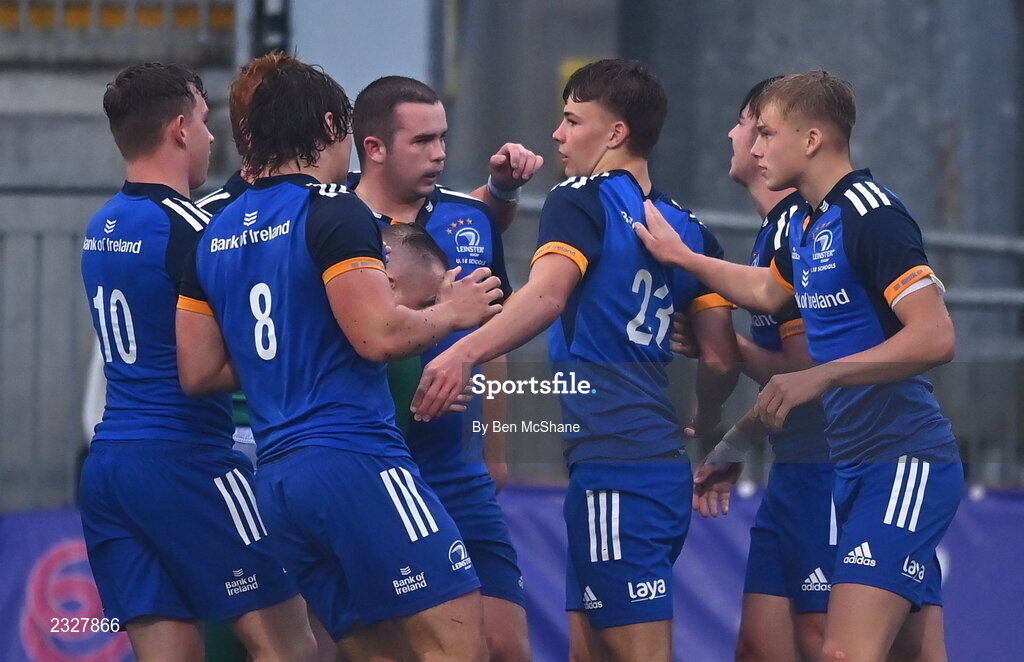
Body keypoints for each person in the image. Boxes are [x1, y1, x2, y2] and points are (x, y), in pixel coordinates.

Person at [410, 59, 741, 662]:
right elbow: (720, 356)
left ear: (614, 133)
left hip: (617, 465)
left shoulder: (579, 197)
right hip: (654, 464)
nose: (558, 135)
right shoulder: (690, 230)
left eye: (570, 120)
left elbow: (546, 295)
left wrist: (461, 351)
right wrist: (709, 422)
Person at [174, 60, 502, 662]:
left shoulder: (212, 233)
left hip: (278, 483)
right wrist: (450, 312)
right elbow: (378, 335)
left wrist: (296, 353)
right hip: (356, 461)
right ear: (331, 124)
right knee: (459, 646)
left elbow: (197, 372)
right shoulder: (334, 208)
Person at [634, 70, 960, 662]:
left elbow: (936, 337)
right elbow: (764, 290)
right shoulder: (808, 223)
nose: (755, 147)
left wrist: (823, 373)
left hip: (903, 461)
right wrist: (682, 259)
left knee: (840, 652)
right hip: (851, 468)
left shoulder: (871, 213)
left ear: (810, 140)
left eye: (766, 132)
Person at [79, 62, 315, 662]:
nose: (212, 138)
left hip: (111, 467)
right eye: (206, 123)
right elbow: (229, 346)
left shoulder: (102, 224)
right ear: (180, 130)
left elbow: (205, 217)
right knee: (292, 648)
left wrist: (246, 177)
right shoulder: (191, 227)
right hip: (187, 460)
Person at [349, 74, 538, 662]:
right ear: (374, 147)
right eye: (422, 141)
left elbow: (494, 337)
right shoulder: (332, 223)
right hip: (374, 467)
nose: (439, 154)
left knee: (505, 644)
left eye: (443, 139)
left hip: (457, 468)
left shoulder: (470, 219)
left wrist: (496, 447)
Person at [690, 76, 834, 662]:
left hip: (831, 462)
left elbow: (807, 372)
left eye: (747, 123)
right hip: (794, 463)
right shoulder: (773, 232)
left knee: (828, 642)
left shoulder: (800, 225)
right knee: (759, 645)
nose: (732, 135)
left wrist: (726, 348)